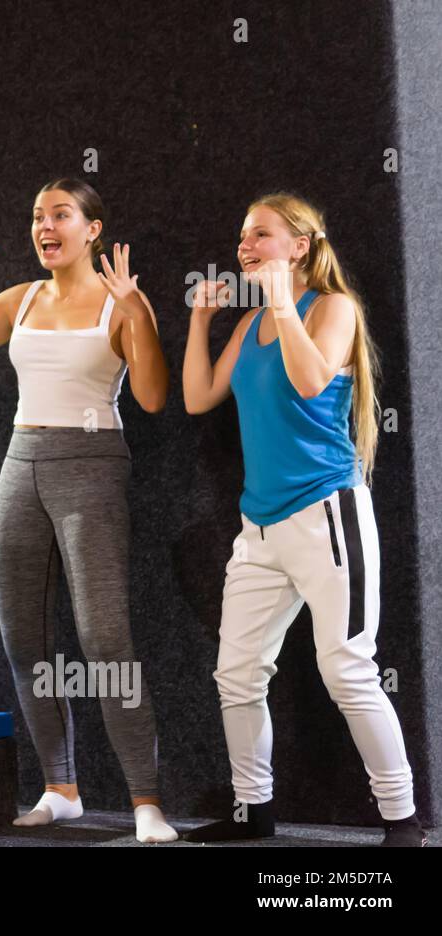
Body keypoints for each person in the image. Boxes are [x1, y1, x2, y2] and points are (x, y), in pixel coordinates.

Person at [0, 179, 178, 843]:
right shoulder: (21, 298)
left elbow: (151, 397)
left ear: (92, 229)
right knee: (23, 638)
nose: (45, 225)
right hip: (20, 465)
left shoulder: (122, 302)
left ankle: (146, 801)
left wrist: (138, 316)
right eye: (38, 214)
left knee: (103, 639)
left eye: (60, 214)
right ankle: (60, 789)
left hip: (92, 465)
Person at [181, 192, 424, 846]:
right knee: (236, 673)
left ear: (300, 246)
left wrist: (284, 304)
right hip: (258, 529)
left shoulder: (333, 308)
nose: (246, 246)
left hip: (326, 513)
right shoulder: (248, 326)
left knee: (347, 667)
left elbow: (313, 380)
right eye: (242, 236)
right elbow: (199, 395)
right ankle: (253, 811)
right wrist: (202, 323)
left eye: (260, 234)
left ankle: (403, 821)